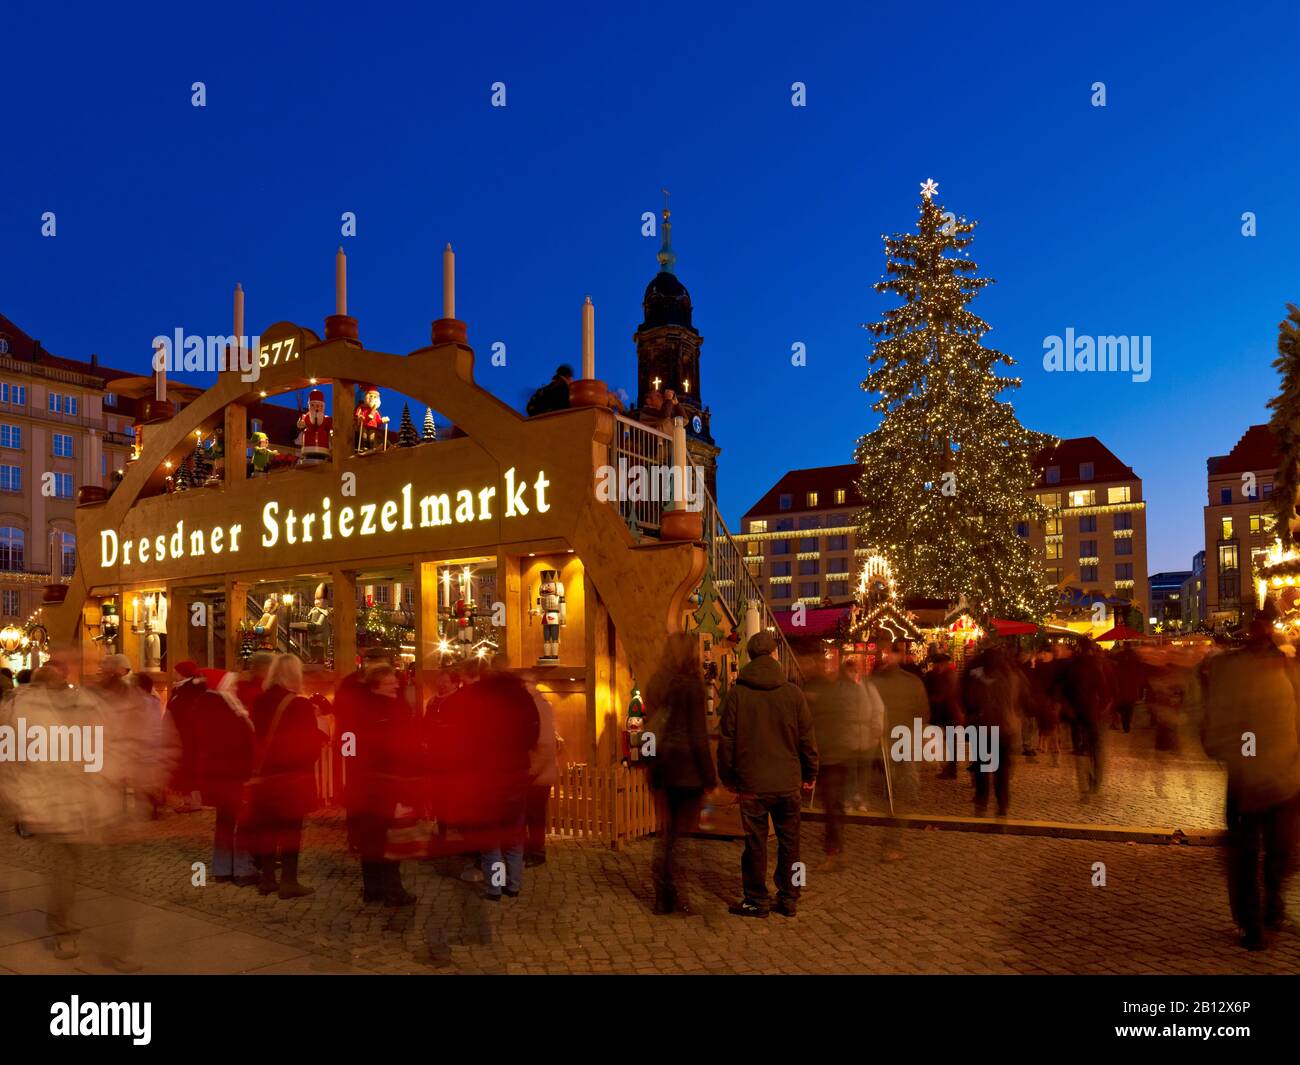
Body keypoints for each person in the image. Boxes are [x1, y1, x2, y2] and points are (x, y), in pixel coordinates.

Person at [1202, 615, 1300, 950]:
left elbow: (1216, 729)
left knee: (1260, 854)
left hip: (1265, 780)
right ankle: (1261, 918)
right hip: (1271, 779)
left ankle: (1258, 918)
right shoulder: (1274, 670)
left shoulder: (1242, 672)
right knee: (1267, 852)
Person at [717, 631, 817, 918]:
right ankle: (789, 898)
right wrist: (810, 772)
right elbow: (807, 740)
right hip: (787, 783)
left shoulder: (737, 695)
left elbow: (727, 742)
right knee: (791, 843)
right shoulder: (793, 694)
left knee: (755, 843)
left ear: (749, 658)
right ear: (775, 655)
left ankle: (756, 900)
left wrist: (730, 779)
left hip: (752, 784)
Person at [644, 634, 717, 914]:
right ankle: (675, 894)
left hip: (662, 768)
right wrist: (709, 777)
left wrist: (652, 765)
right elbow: (698, 735)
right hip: (687, 771)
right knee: (680, 836)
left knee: (667, 833)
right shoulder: (691, 686)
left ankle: (663, 896)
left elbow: (651, 728)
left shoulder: (656, 683)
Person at [250, 654, 327, 899]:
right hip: (292, 777)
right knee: (291, 830)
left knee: (267, 829)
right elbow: (306, 744)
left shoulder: (260, 701)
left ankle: (267, 879)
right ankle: (289, 881)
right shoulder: (299, 705)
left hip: (265, 776)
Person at [352, 665, 419, 905]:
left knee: (372, 836)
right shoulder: (395, 710)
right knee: (391, 838)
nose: (397, 685)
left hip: (366, 782)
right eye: (391, 683)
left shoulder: (361, 708)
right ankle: (393, 890)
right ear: (378, 684)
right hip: (388, 782)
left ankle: (372, 888)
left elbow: (350, 745)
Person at [807, 657, 883, 870]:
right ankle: (837, 848)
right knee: (835, 804)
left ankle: (835, 851)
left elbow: (872, 710)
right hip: (841, 750)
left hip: (835, 754)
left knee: (832, 805)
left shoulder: (837, 693)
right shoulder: (838, 692)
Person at [871, 641, 928, 857]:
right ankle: (892, 841)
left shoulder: (906, 682)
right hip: (891, 745)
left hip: (895, 744)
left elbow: (921, 713)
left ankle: (892, 839)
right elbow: (922, 714)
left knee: (896, 792)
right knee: (897, 792)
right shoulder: (905, 682)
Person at [961, 645, 1020, 817]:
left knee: (982, 766)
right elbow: (1019, 699)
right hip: (1004, 728)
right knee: (1001, 769)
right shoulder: (1010, 676)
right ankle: (1002, 803)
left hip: (982, 728)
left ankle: (981, 800)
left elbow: (967, 699)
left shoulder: (975, 677)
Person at [1054, 639, 1111, 798]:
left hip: (1075, 715)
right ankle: (1095, 782)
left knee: (1080, 750)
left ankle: (1084, 785)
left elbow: (1061, 691)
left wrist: (1067, 709)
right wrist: (1102, 709)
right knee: (1096, 749)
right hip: (1092, 714)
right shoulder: (1096, 665)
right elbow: (1105, 691)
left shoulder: (1070, 666)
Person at [522, 674, 562, 869]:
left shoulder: (538, 705)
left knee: (535, 814)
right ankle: (531, 849)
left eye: (524, 683)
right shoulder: (536, 704)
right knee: (530, 814)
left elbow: (545, 744)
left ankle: (537, 852)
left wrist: (531, 771)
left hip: (537, 774)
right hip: (535, 771)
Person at [167, 661, 207, 812]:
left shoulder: (190, 689)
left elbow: (184, 710)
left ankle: (193, 800)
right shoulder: (182, 688)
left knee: (189, 766)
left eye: (176, 671)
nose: (174, 674)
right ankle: (188, 799)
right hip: (181, 733)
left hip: (187, 734)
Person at [924, 654, 964, 778]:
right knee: (946, 741)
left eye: (942, 664)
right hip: (945, 714)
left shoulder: (948, 676)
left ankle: (950, 768)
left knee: (949, 742)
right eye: (938, 664)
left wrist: (935, 699)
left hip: (948, 714)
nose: (939, 666)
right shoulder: (940, 676)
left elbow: (948, 694)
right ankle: (948, 767)